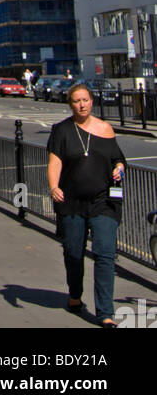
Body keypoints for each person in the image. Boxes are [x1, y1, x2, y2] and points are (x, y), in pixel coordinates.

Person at [47, 82, 126, 325]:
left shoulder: (105, 129)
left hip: (103, 201)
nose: (81, 105)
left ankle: (105, 313)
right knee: (73, 253)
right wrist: (54, 187)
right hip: (71, 202)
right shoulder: (61, 130)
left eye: (85, 100)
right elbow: (55, 162)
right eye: (76, 101)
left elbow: (118, 159)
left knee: (104, 253)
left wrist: (119, 168)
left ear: (92, 101)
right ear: (70, 104)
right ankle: (74, 294)